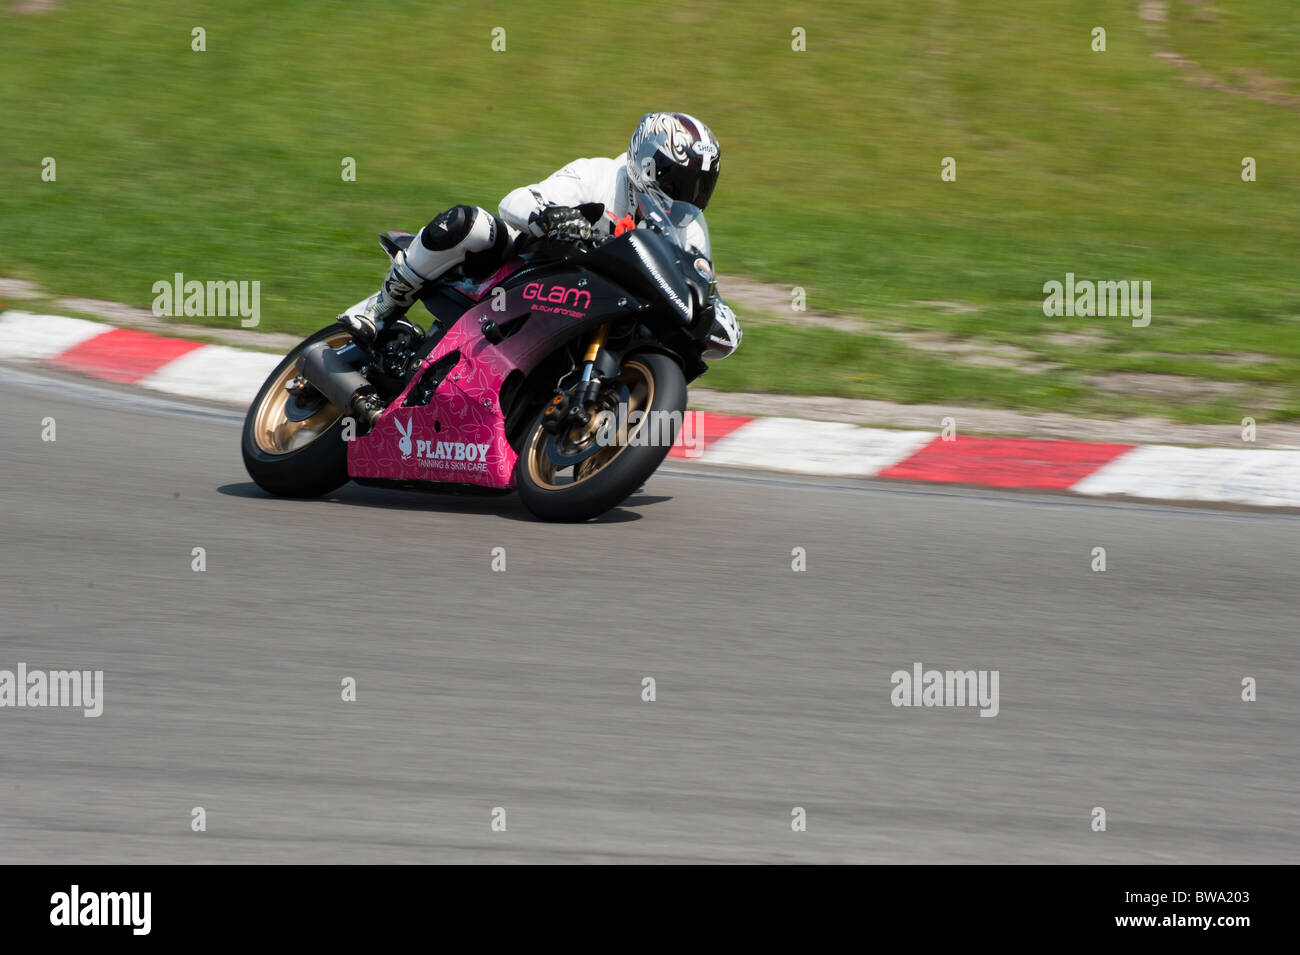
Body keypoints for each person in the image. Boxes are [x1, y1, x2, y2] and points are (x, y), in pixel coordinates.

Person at [338, 112, 737, 356]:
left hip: (598, 306)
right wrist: (553, 217)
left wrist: (712, 316)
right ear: (649, 166)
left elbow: (700, 283)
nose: (691, 198)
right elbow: (515, 201)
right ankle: (381, 307)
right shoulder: (598, 174)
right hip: (527, 269)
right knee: (469, 223)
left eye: (701, 187)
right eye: (682, 182)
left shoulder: (687, 230)